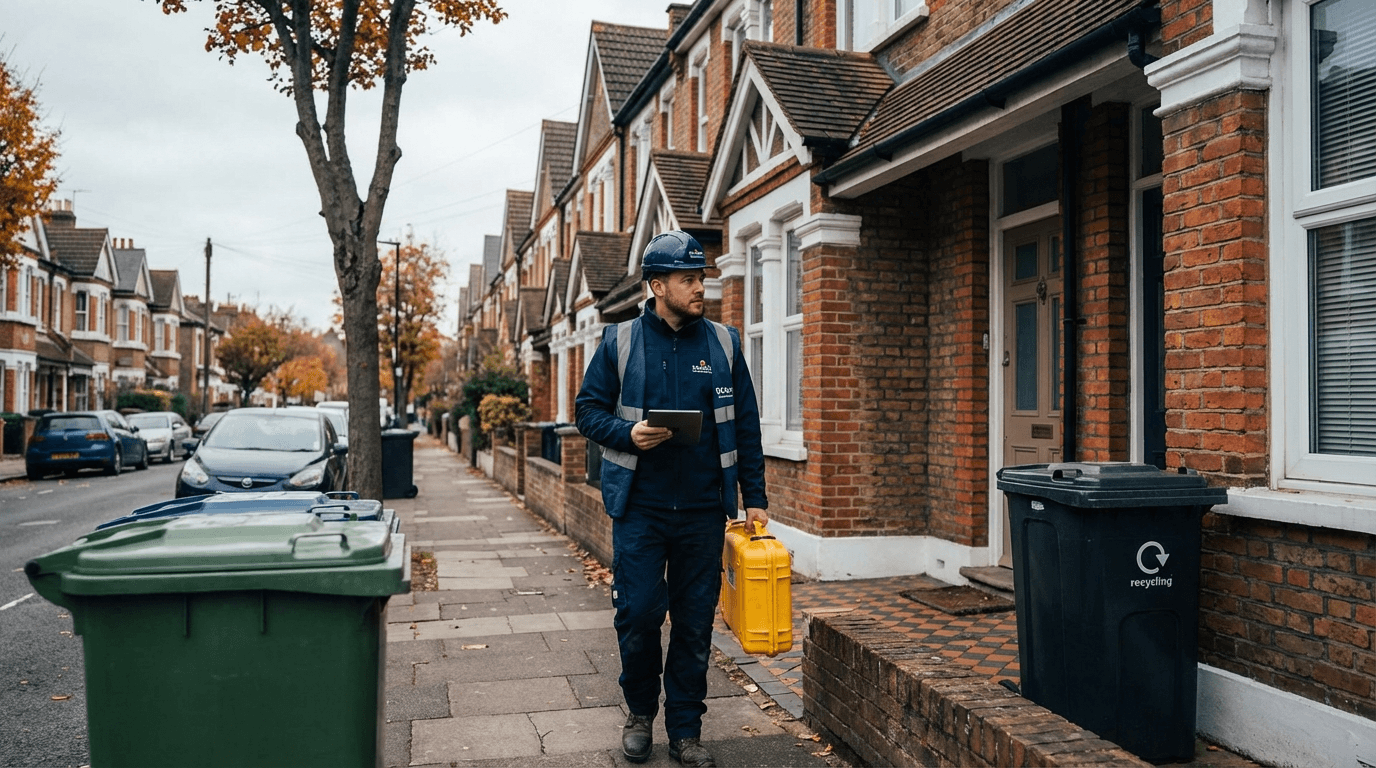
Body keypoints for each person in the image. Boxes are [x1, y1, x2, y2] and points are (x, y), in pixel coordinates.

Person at [575, 230, 768, 768]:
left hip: (706, 509)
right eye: (688, 279)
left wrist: (756, 497)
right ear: (657, 285)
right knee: (637, 615)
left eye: (701, 276)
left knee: (693, 622)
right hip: (640, 507)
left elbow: (746, 427)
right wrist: (626, 435)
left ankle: (686, 729)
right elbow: (586, 411)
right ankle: (639, 714)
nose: (699, 286)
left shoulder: (725, 345)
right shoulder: (620, 342)